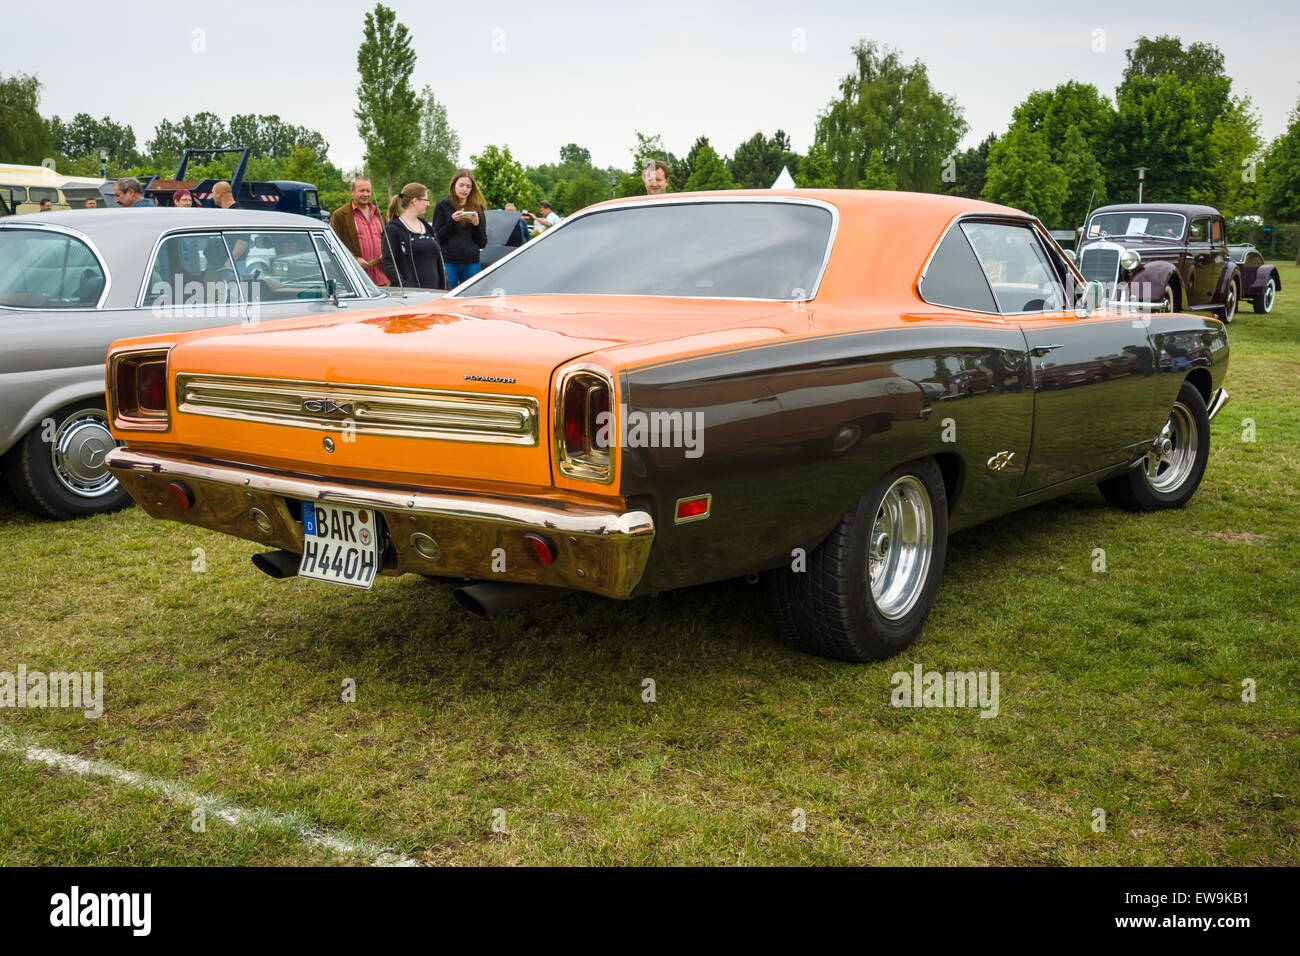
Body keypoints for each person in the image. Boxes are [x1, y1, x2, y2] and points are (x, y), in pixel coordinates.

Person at [380, 182, 446, 291]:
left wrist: (446, 288)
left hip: (436, 294)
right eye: (426, 200)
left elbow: (439, 261)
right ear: (415, 201)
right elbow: (388, 263)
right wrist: (406, 288)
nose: (428, 204)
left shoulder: (426, 226)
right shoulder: (393, 229)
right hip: (413, 297)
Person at [432, 169, 488, 288]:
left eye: (468, 186)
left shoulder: (478, 208)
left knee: (471, 299)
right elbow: (437, 238)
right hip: (449, 263)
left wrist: (476, 225)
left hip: (472, 264)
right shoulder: (442, 206)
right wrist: (451, 221)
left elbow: (483, 243)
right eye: (461, 185)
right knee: (447, 297)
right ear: (453, 185)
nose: (464, 189)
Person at [330, 177, 389, 286]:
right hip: (357, 281)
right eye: (362, 190)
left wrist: (385, 253)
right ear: (351, 191)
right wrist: (355, 259)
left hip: (383, 278)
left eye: (368, 191)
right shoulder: (340, 215)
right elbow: (333, 245)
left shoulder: (380, 214)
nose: (366, 194)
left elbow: (388, 240)